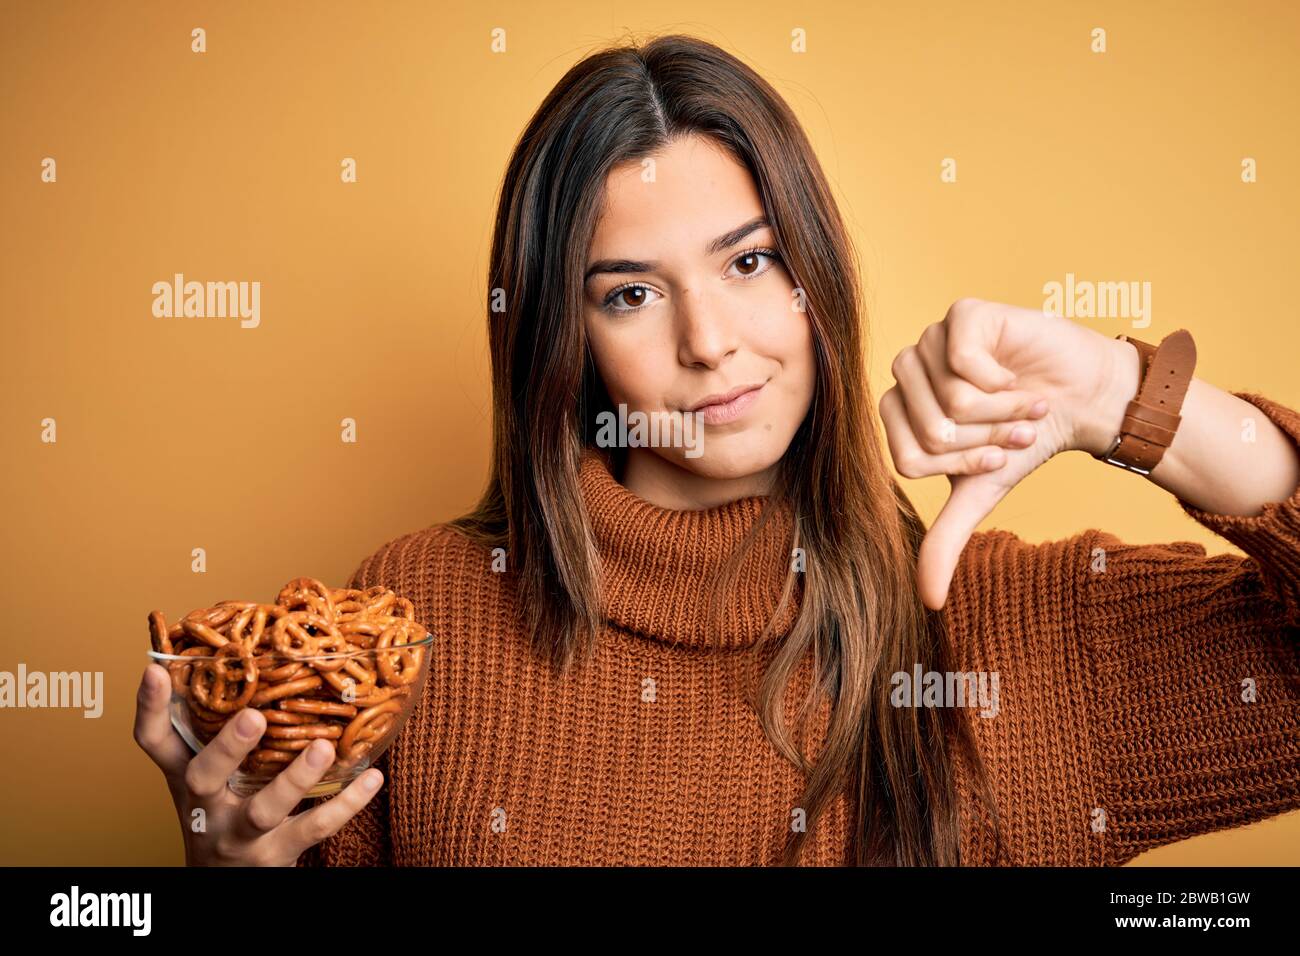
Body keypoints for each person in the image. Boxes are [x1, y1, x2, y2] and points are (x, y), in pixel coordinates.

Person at [135, 33, 1300, 867]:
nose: (709, 343)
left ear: (815, 279)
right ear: (564, 335)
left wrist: (1124, 394)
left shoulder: (1017, 634)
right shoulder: (418, 609)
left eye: (750, 262)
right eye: (632, 293)